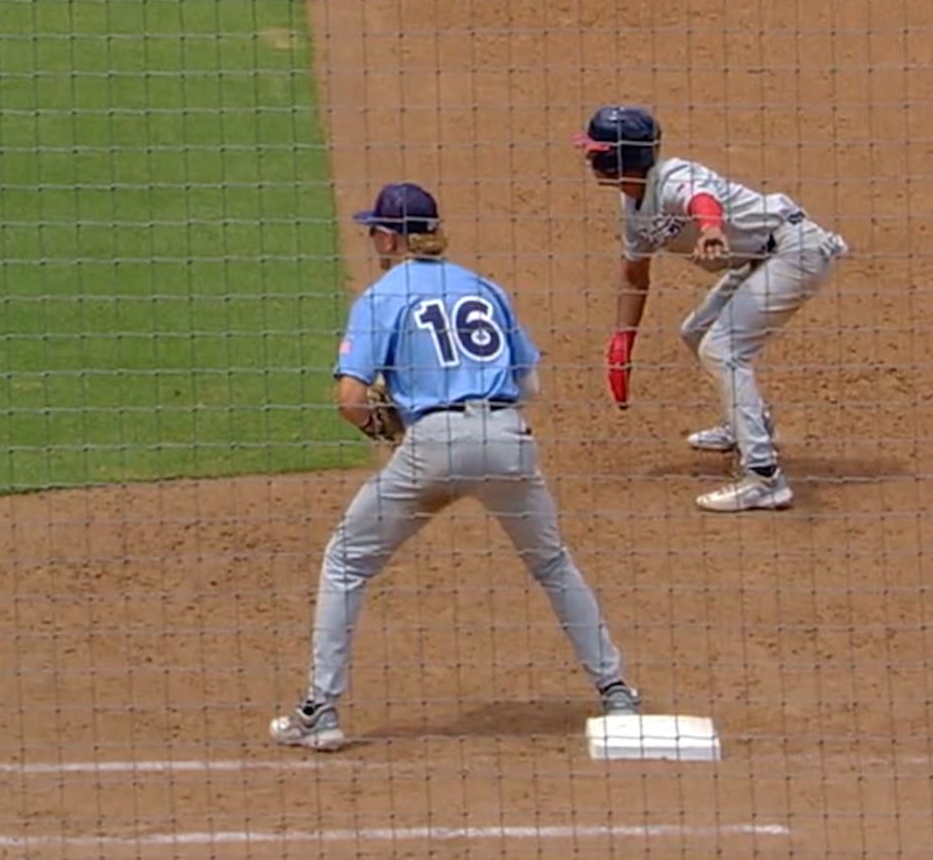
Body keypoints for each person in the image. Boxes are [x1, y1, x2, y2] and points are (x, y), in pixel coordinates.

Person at [269, 182, 642, 752]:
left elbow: (349, 399)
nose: (372, 238)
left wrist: (384, 429)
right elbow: (528, 382)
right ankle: (616, 690)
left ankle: (320, 710)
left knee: (346, 561)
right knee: (551, 563)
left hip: (434, 443)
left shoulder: (382, 296)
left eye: (374, 229)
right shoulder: (483, 287)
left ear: (390, 237)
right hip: (507, 437)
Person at [573, 104, 849, 512]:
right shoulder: (633, 205)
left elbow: (701, 199)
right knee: (696, 332)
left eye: (594, 150)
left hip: (795, 251)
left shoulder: (673, 177)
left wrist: (711, 228)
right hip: (760, 258)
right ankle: (749, 424)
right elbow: (634, 274)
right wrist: (622, 343)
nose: (587, 156)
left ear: (616, 159)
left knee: (723, 349)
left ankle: (763, 476)